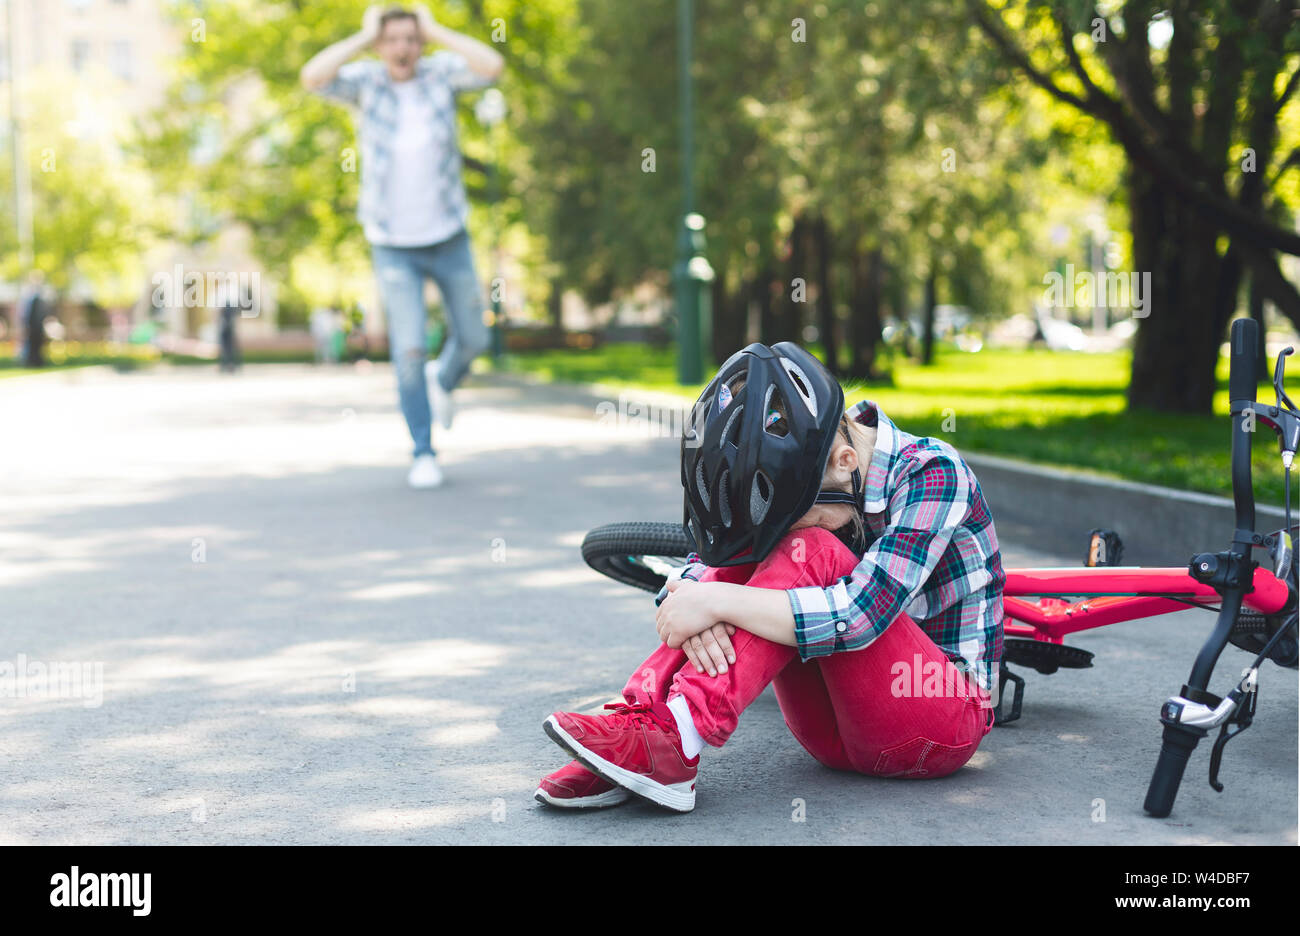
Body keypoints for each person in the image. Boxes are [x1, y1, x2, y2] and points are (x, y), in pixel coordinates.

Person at [536, 342, 1006, 812]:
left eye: (800, 513)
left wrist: (715, 603)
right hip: (831, 734)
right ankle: (647, 733)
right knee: (750, 550)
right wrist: (688, 595)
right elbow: (703, 566)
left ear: (846, 462)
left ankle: (676, 736)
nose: (789, 532)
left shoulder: (934, 473)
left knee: (810, 549)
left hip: (938, 722)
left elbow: (858, 617)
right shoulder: (822, 463)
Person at [302, 4, 504, 489]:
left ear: (420, 43)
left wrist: (434, 28)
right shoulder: (366, 83)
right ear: (380, 44)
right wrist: (361, 36)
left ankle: (444, 381)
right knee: (409, 349)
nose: (402, 48)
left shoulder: (440, 74)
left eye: (410, 39)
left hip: (449, 234)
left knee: (474, 337)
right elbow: (312, 77)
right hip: (393, 242)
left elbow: (491, 67)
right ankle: (423, 450)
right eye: (391, 40)